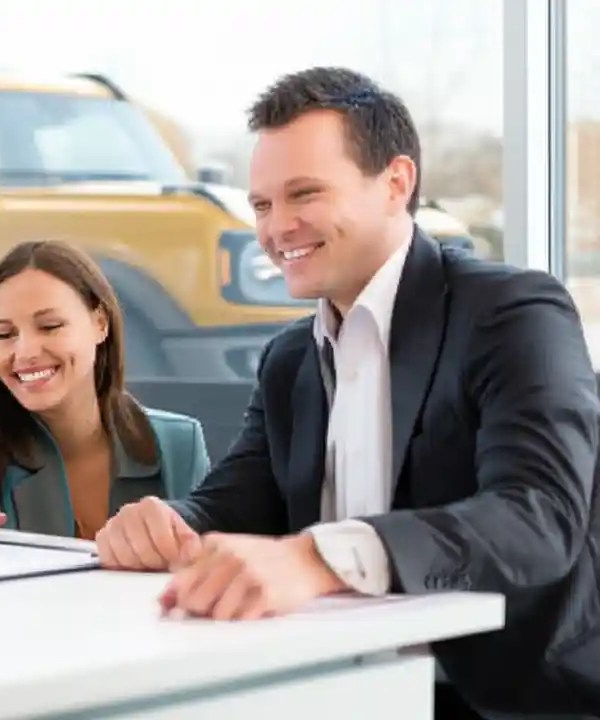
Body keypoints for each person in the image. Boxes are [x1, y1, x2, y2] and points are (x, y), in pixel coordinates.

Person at [95, 66, 600, 718]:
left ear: (396, 183)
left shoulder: (511, 313)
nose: (277, 228)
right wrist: (169, 525)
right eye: (261, 205)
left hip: (512, 700)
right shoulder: (290, 360)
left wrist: (321, 558)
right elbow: (236, 504)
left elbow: (538, 518)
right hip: (336, 685)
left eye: (304, 194)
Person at [0, 240, 209, 551]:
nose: (25, 352)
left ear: (100, 323)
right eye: (4, 334)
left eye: (50, 326)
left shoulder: (179, 442)